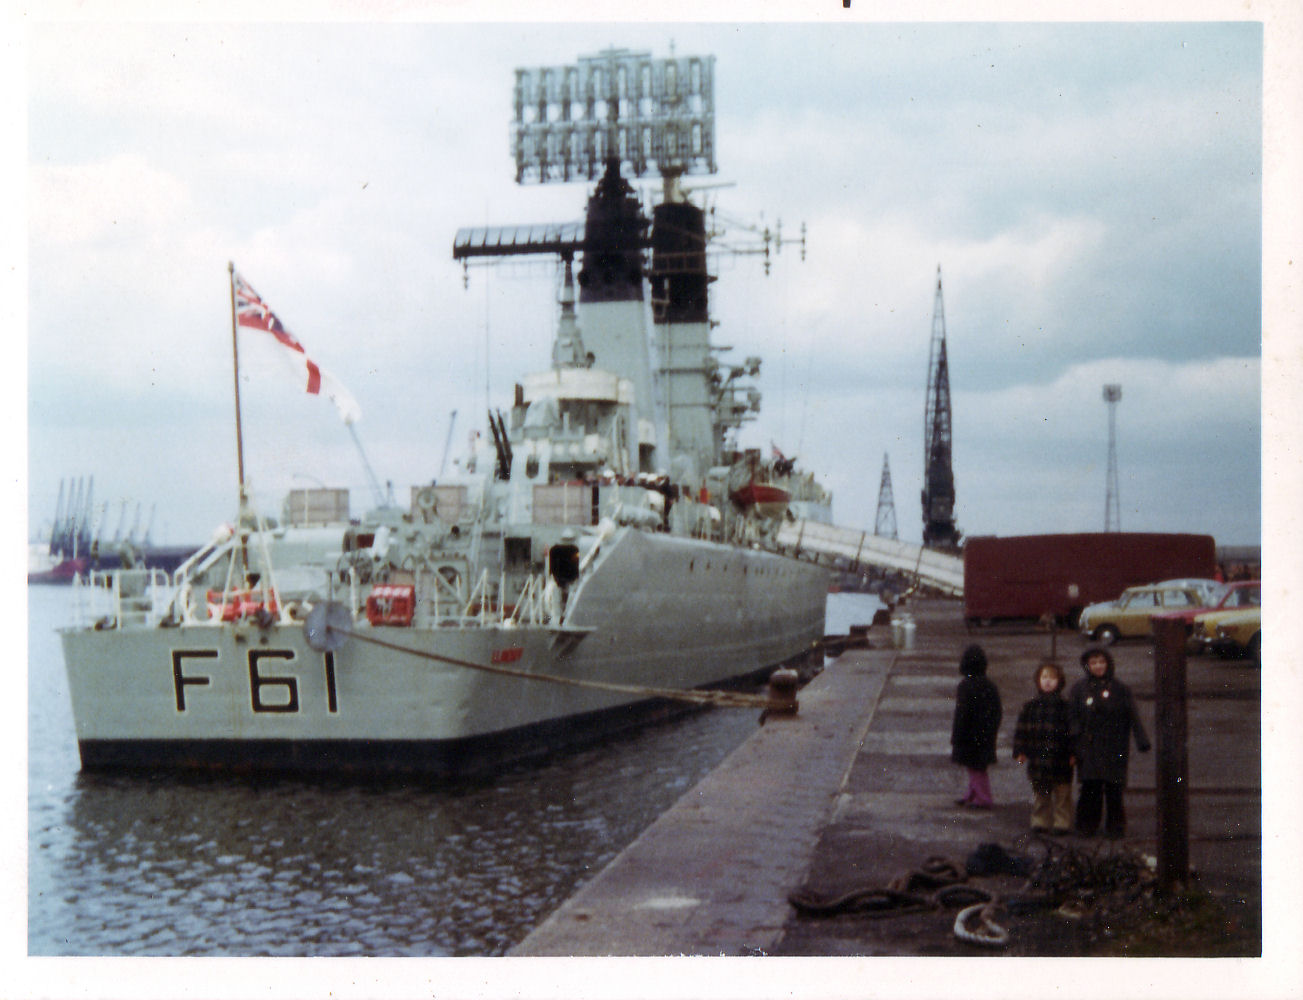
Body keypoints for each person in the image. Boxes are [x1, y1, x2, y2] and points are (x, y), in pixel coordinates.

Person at [1067, 646, 1151, 838]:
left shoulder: (1120, 689)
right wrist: (1076, 737)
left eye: (1101, 662)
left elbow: (1133, 716)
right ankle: (1086, 824)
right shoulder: (1079, 689)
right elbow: (1072, 716)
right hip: (1089, 746)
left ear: (1108, 663)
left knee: (1114, 788)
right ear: (1087, 665)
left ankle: (1116, 826)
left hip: (1115, 745)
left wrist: (1142, 740)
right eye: (1094, 662)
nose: (1098, 666)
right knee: (1090, 787)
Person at [1012, 661, 1075, 834]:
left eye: (1052, 678)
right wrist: (1020, 751)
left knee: (1062, 793)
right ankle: (1040, 820)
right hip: (1038, 757)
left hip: (1060, 756)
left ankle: (1062, 821)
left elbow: (1073, 732)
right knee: (1041, 791)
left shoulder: (1066, 707)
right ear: (1038, 680)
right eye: (1044, 677)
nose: (1048, 681)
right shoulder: (1030, 706)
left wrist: (1074, 752)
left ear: (1059, 682)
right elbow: (1022, 730)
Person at [950, 644, 1002, 808]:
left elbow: (962, 714)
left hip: (968, 733)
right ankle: (972, 793)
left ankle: (982, 797)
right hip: (985, 732)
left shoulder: (965, 685)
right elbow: (997, 711)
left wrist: (956, 736)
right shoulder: (990, 686)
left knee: (974, 767)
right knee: (978, 766)